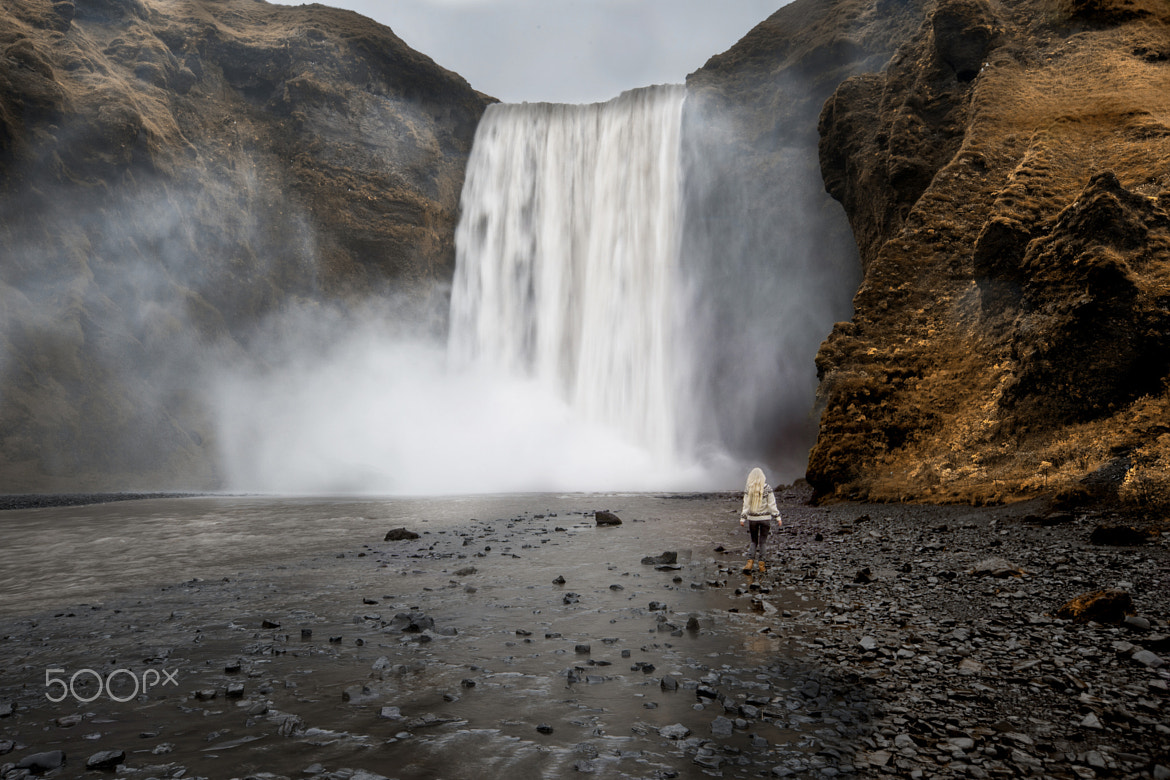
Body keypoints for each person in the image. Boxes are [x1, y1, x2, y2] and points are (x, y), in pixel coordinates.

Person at [740, 466, 781, 574]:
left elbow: (746, 505)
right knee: (763, 543)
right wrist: (778, 517)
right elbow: (772, 505)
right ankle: (761, 566)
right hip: (765, 520)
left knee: (753, 541)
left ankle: (749, 564)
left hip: (752, 519)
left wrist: (743, 518)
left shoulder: (749, 488)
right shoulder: (767, 488)